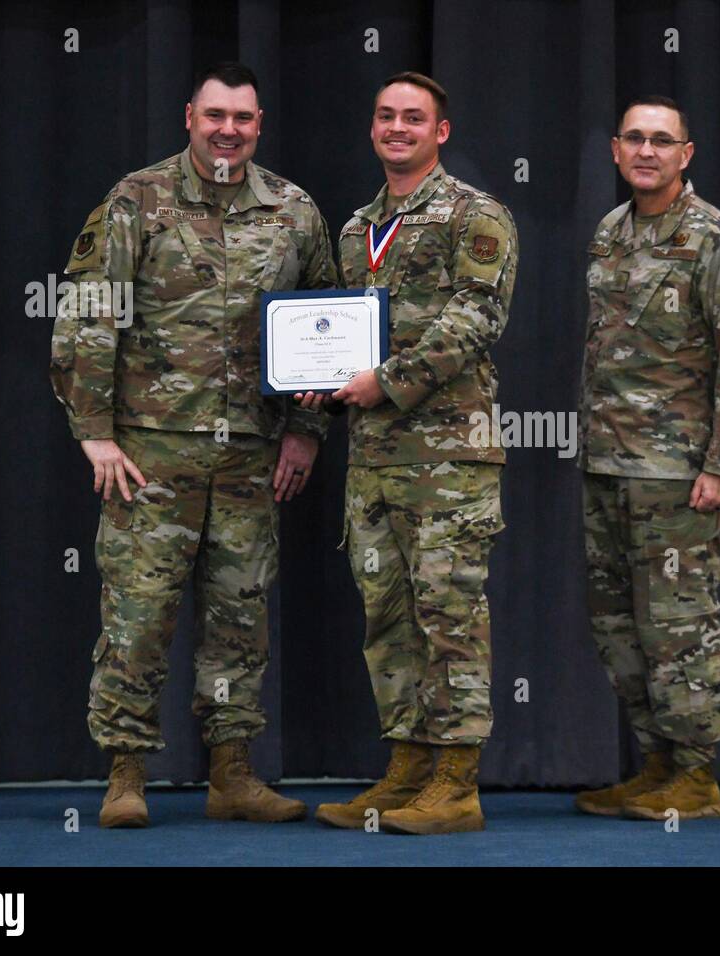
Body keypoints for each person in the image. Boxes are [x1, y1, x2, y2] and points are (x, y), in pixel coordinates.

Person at [50, 61, 338, 828]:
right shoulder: (136, 200)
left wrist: (307, 434)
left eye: (243, 118)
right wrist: (95, 432)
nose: (228, 130)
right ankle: (125, 774)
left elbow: (326, 330)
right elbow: (88, 315)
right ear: (189, 117)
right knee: (138, 616)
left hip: (250, 453)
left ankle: (232, 775)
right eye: (215, 115)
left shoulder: (294, 211)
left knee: (239, 619)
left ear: (260, 123)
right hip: (152, 453)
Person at [301, 72, 518, 835]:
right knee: (388, 621)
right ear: (372, 129)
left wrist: (383, 382)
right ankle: (408, 768)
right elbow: (336, 326)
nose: (399, 128)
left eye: (414, 118)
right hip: (373, 462)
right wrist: (319, 382)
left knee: (450, 616)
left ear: (441, 132)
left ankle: (457, 784)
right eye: (387, 116)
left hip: (449, 459)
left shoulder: (476, 214)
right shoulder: (359, 226)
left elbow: (475, 320)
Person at [573, 96, 720, 821]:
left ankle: (695, 773)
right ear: (616, 151)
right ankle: (655, 763)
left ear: (686, 155)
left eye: (663, 141)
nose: (647, 151)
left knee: (678, 626)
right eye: (634, 138)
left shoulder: (718, 238)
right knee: (618, 626)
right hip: (606, 462)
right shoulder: (609, 232)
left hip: (678, 472)